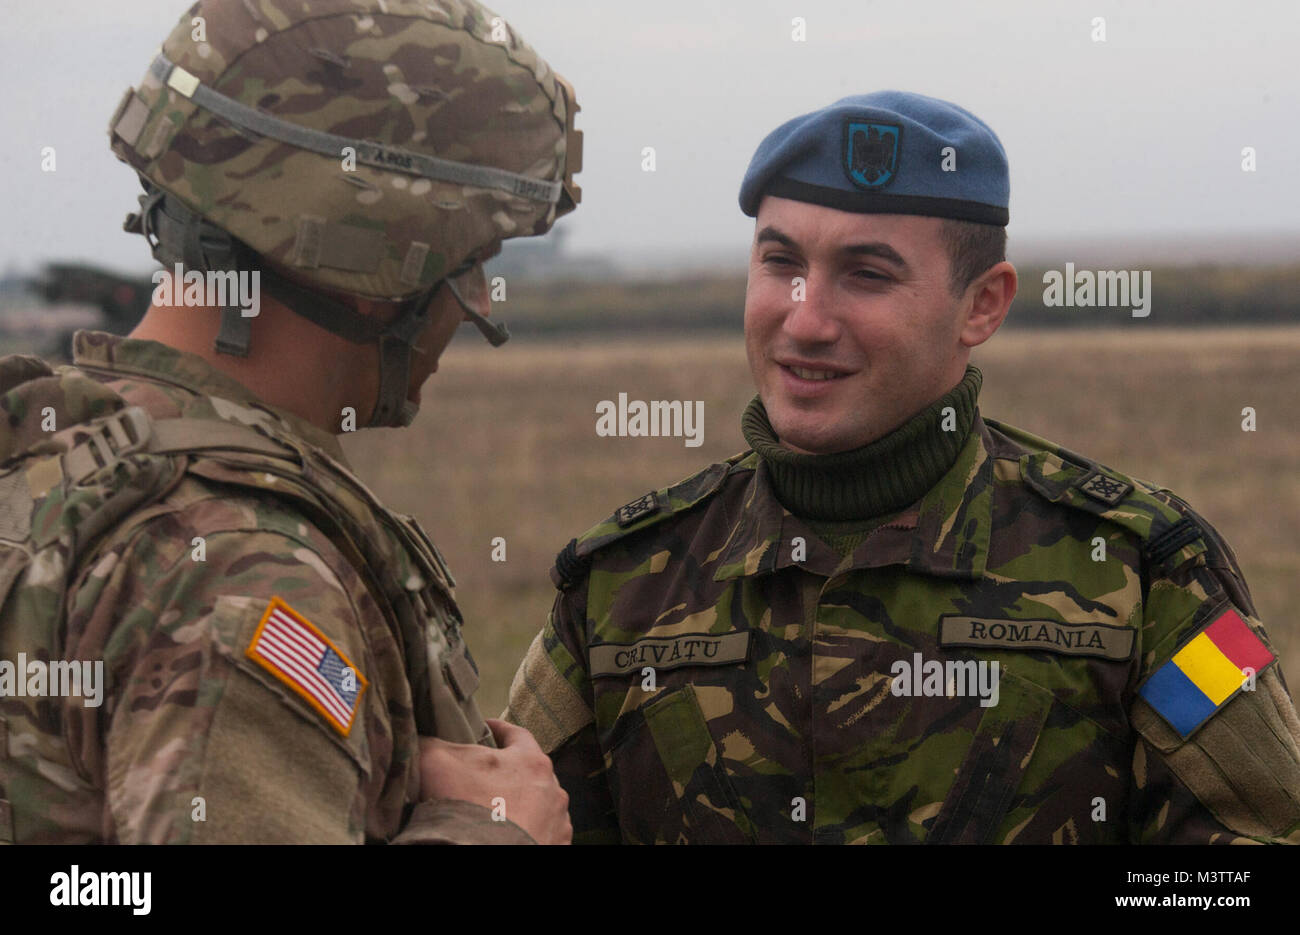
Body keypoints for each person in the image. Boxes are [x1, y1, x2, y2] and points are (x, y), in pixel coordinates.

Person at [505, 90, 1300, 844]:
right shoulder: (620, 587)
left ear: (982, 304)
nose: (805, 319)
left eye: (867, 275)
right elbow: (504, 820)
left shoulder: (1149, 575)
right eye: (781, 262)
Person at [0, 0, 582, 844]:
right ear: (376, 261)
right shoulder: (234, 568)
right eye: (471, 261)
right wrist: (497, 829)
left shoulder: (49, 457)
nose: (479, 304)